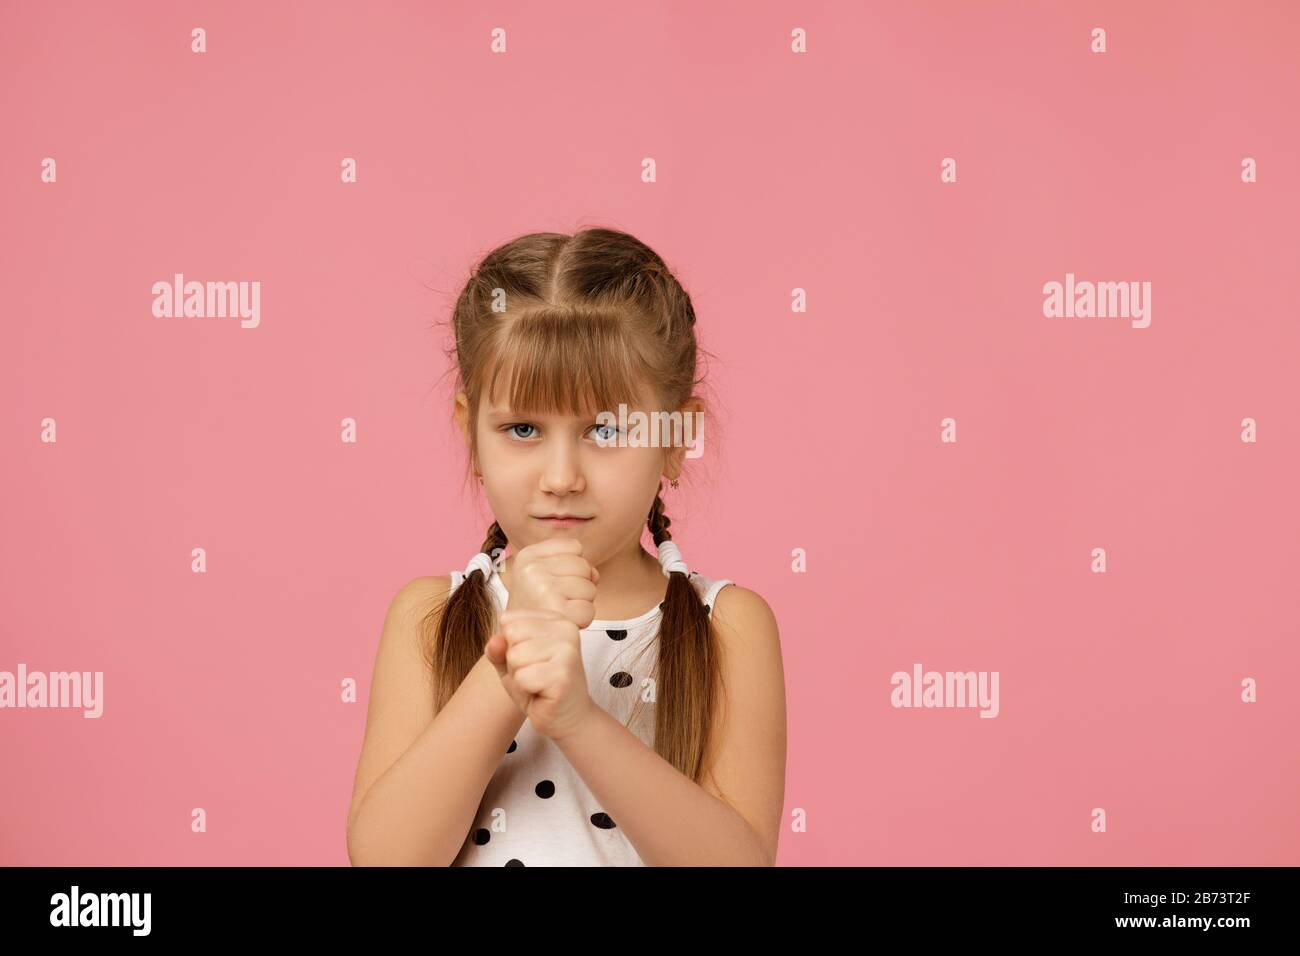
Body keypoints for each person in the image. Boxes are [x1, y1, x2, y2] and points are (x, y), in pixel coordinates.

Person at [346, 227, 786, 866]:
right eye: (522, 428)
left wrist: (579, 721)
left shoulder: (727, 627)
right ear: (471, 434)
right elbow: (387, 859)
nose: (561, 476)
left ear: (676, 437)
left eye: (606, 429)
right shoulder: (431, 616)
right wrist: (506, 673)